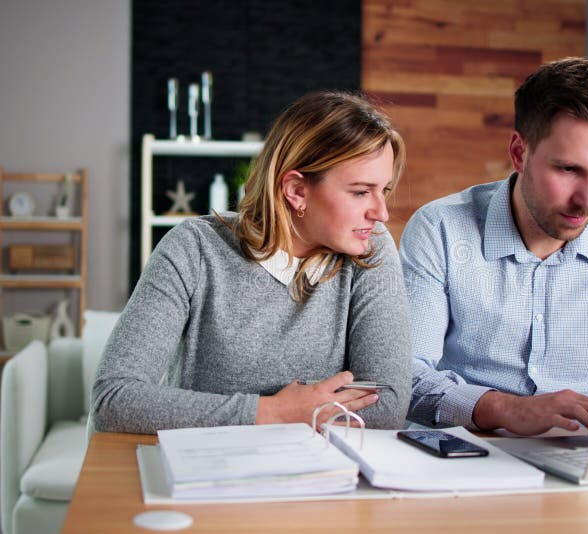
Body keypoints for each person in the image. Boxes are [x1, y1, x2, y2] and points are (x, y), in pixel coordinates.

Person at [400, 57, 588, 438]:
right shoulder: (440, 230)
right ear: (520, 153)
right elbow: (402, 376)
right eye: (569, 170)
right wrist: (503, 408)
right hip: (471, 456)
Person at [92, 91, 411, 434]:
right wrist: (275, 412)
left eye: (384, 190)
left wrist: (288, 412)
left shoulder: (371, 248)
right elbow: (114, 399)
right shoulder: (194, 248)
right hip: (206, 473)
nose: (381, 212)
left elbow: (386, 405)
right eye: (361, 192)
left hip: (320, 478)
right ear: (297, 191)